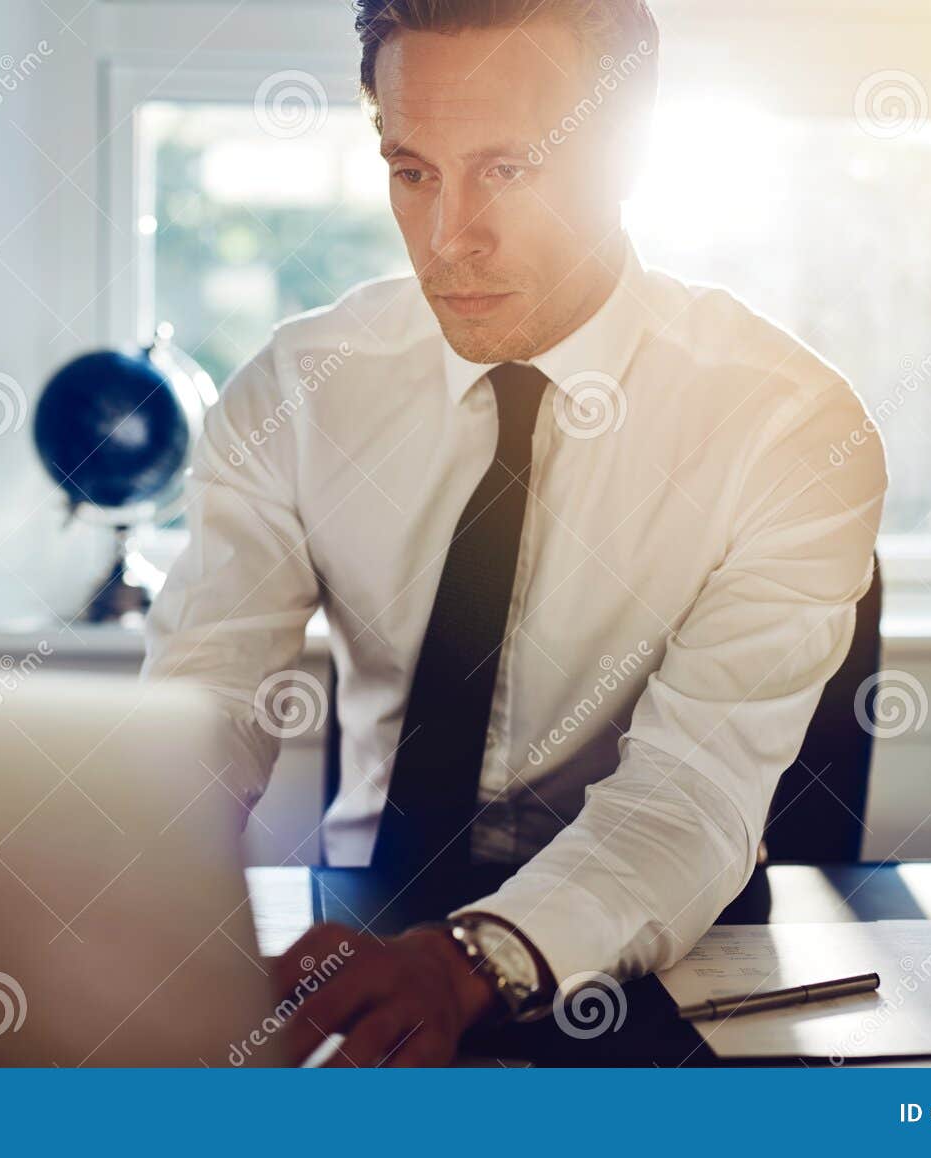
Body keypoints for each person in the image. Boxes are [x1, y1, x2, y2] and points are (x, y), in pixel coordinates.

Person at [142, 0, 886, 1066]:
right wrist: (138, 888)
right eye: (412, 172)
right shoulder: (297, 394)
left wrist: (470, 961)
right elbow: (202, 700)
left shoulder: (788, 427)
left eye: (508, 170)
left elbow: (692, 791)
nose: (450, 239)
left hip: (660, 967)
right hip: (362, 920)